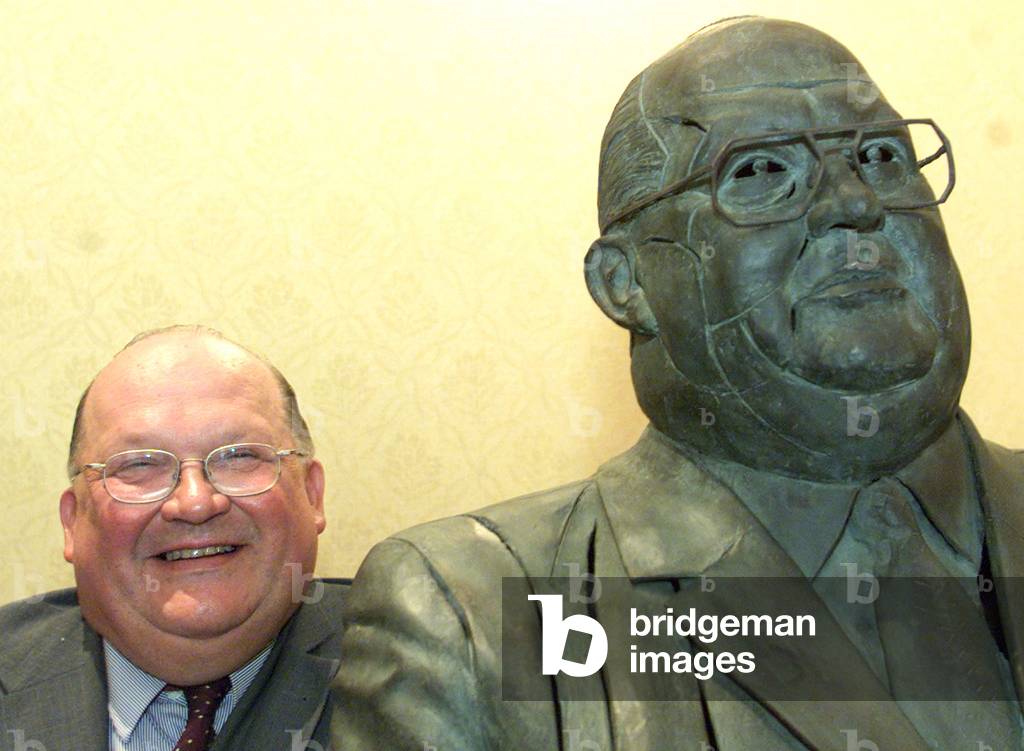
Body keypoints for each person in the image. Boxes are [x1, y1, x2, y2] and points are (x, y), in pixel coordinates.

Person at [333, 17, 1024, 751]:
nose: (854, 202)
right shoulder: (470, 612)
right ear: (624, 282)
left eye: (881, 155)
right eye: (760, 171)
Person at [0, 326, 345, 751]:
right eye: (139, 465)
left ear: (312, 494)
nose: (196, 502)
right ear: (72, 522)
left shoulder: (410, 663)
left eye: (239, 456)